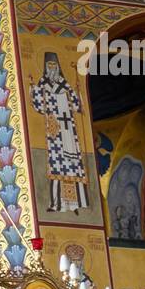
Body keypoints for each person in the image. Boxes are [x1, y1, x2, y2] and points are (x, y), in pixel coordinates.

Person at [28, 52, 88, 213]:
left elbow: (76, 105)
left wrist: (77, 93)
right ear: (45, 67)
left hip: (69, 129)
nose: (52, 68)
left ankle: (76, 204)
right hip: (55, 133)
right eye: (49, 65)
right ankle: (56, 204)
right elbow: (39, 105)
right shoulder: (43, 83)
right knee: (57, 166)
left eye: (54, 65)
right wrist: (33, 89)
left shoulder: (64, 83)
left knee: (73, 165)